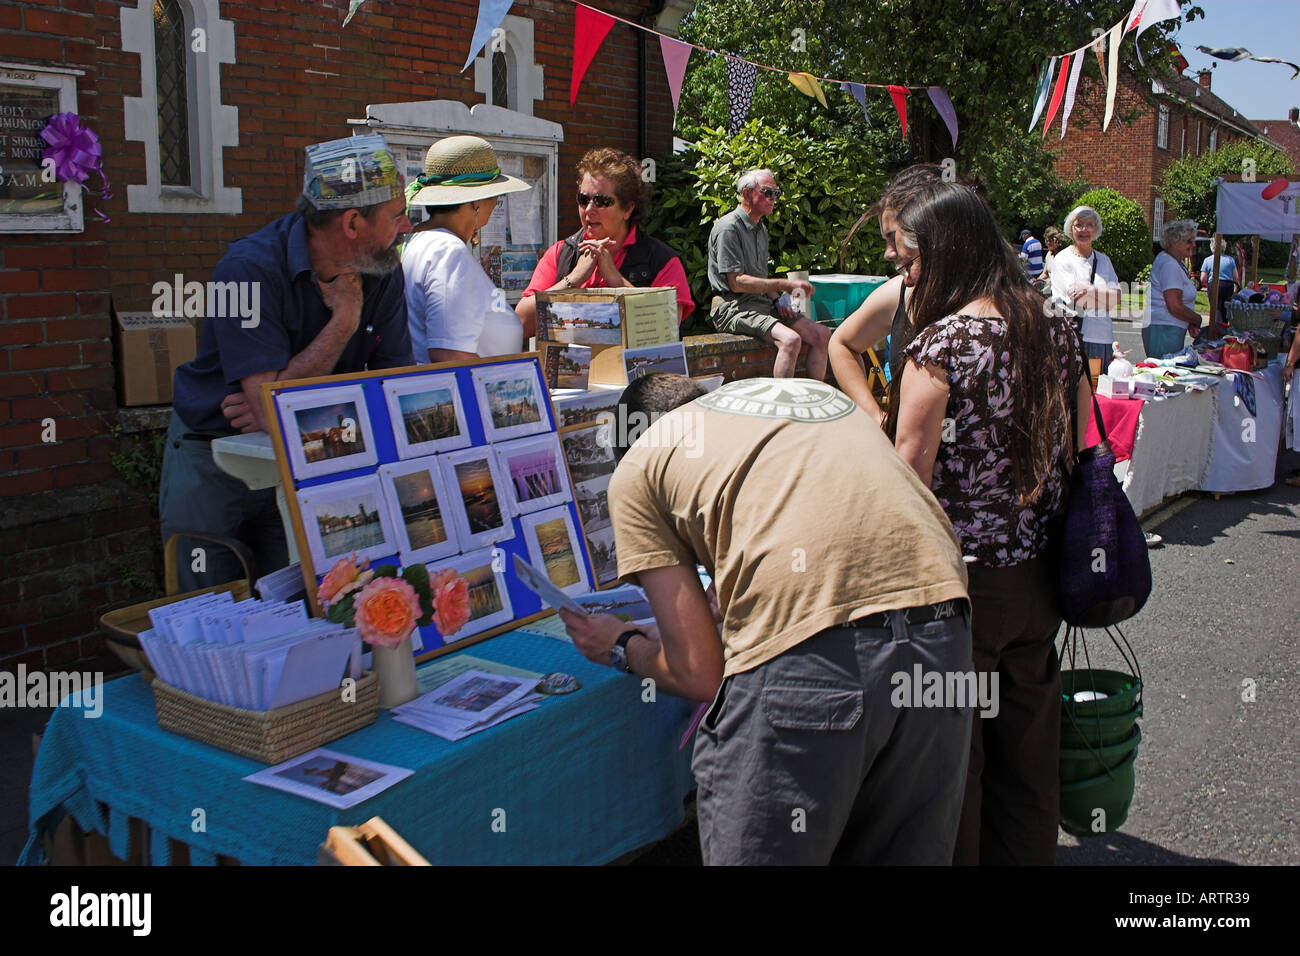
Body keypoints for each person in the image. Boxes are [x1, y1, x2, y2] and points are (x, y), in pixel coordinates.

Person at [559, 372, 973, 865]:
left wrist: (624, 646)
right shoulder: (806, 396)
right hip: (944, 632)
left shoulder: (638, 465)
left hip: (817, 661)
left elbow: (699, 672)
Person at [889, 181, 1091, 866]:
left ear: (945, 252)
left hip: (960, 588)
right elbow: (1078, 446)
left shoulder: (943, 343)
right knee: (1029, 752)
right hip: (1039, 574)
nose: (906, 272)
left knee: (957, 762)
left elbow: (906, 477)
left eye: (912, 257)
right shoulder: (1053, 323)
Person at [161, 134, 414, 592]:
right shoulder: (246, 269)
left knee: (302, 598)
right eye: (397, 215)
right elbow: (265, 412)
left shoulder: (383, 270)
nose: (408, 226)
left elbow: (394, 394)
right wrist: (344, 321)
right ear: (353, 221)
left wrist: (287, 402)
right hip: (215, 455)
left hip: (312, 454)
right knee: (212, 604)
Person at [516, 148, 694, 334]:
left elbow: (666, 330)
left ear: (628, 209)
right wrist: (573, 280)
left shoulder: (662, 261)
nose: (589, 209)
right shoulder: (560, 253)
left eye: (601, 201)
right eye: (583, 199)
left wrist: (617, 281)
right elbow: (521, 323)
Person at [829, 164, 943, 424]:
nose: (888, 253)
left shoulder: (993, 304)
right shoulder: (899, 293)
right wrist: (876, 418)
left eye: (894, 238)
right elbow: (841, 344)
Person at [402, 136, 530, 361]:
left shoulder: (419, 240)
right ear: (477, 202)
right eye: (495, 195)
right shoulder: (447, 252)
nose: (497, 201)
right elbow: (450, 355)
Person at [706, 169, 832, 379]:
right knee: (790, 340)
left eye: (776, 193)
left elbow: (759, 278)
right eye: (767, 192)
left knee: (822, 334)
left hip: (760, 303)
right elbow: (737, 283)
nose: (773, 199)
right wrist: (784, 285)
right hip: (733, 307)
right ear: (746, 193)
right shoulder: (729, 228)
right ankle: (782, 409)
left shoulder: (760, 229)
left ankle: (812, 405)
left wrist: (777, 300)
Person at [1050, 205, 1122, 382]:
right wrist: (1104, 297)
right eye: (1079, 224)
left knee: (1098, 394)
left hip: (1103, 339)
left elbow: (1117, 299)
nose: (1084, 230)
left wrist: (1090, 290)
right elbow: (1078, 300)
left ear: (1096, 229)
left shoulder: (1104, 260)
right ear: (1070, 228)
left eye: (1089, 225)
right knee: (1077, 396)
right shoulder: (1063, 260)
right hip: (1075, 339)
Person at [1147, 220, 1203, 359]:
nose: (1194, 244)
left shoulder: (1176, 262)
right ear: (1174, 242)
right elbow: (1174, 306)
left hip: (1167, 328)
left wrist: (1190, 321)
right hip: (1164, 329)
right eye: (1189, 241)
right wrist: (1197, 319)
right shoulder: (1169, 264)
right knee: (1164, 374)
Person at [1199, 237, 1242, 334]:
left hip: (1214, 284)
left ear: (1212, 247)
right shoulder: (1230, 260)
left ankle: (1215, 330)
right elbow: (1236, 277)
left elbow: (1203, 278)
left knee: (1215, 309)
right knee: (1225, 309)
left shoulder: (1207, 260)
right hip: (1228, 285)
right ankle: (1224, 328)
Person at [1040, 226, 1069, 291]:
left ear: (1058, 241)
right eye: (1047, 241)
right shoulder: (1049, 254)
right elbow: (1045, 273)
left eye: (1050, 241)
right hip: (1050, 289)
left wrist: (1050, 280)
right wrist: (1037, 281)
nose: (1048, 243)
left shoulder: (1066, 255)